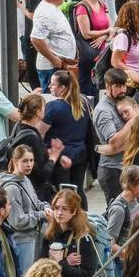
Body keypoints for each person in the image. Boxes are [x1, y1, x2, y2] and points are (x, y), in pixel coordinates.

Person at [42, 188, 100, 277]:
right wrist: (64, 263)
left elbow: (89, 275)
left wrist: (60, 264)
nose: (59, 213)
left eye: (64, 209)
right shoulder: (48, 235)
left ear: (74, 211)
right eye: (56, 208)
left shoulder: (83, 237)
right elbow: (40, 268)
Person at [0, 144, 54, 271]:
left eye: (31, 160)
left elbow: (35, 203)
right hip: (21, 241)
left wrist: (45, 206)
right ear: (15, 161)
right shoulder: (11, 188)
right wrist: (42, 215)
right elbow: (17, 221)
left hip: (32, 237)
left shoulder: (26, 179)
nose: (29, 164)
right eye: (25, 161)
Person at [44, 69, 90, 199]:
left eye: (52, 85)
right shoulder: (83, 104)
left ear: (62, 88)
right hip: (79, 154)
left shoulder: (53, 107)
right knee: (78, 192)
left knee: (61, 194)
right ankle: (83, 217)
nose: (49, 87)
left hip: (59, 156)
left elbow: (39, 132)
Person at [92, 70, 134, 203]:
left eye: (123, 86)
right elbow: (114, 142)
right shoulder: (103, 110)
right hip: (112, 170)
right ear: (108, 86)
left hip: (125, 167)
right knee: (117, 213)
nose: (122, 90)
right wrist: (134, 120)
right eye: (117, 86)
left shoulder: (123, 102)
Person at [30, 0, 78, 91]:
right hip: (51, 68)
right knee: (52, 100)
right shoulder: (45, 13)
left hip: (60, 65)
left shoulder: (51, 7)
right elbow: (36, 39)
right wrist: (53, 59)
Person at [72, 0, 112, 97]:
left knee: (98, 85)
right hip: (88, 53)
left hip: (102, 50)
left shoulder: (101, 4)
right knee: (86, 86)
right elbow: (86, 33)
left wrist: (104, 36)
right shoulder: (82, 7)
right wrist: (105, 33)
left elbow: (110, 28)